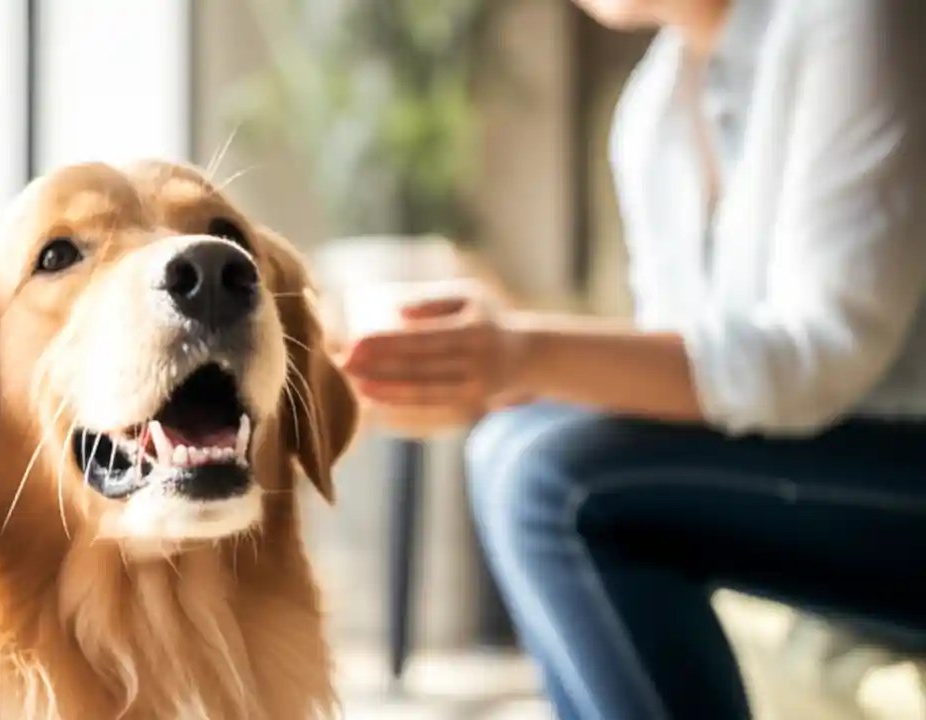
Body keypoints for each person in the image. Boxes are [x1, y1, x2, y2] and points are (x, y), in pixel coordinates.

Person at [339, 0, 926, 717]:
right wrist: (486, 376)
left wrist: (527, 352)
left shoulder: (852, 18)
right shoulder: (652, 114)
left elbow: (818, 357)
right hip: (824, 479)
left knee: (554, 478)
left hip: (902, 468)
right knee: (508, 445)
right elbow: (690, 386)